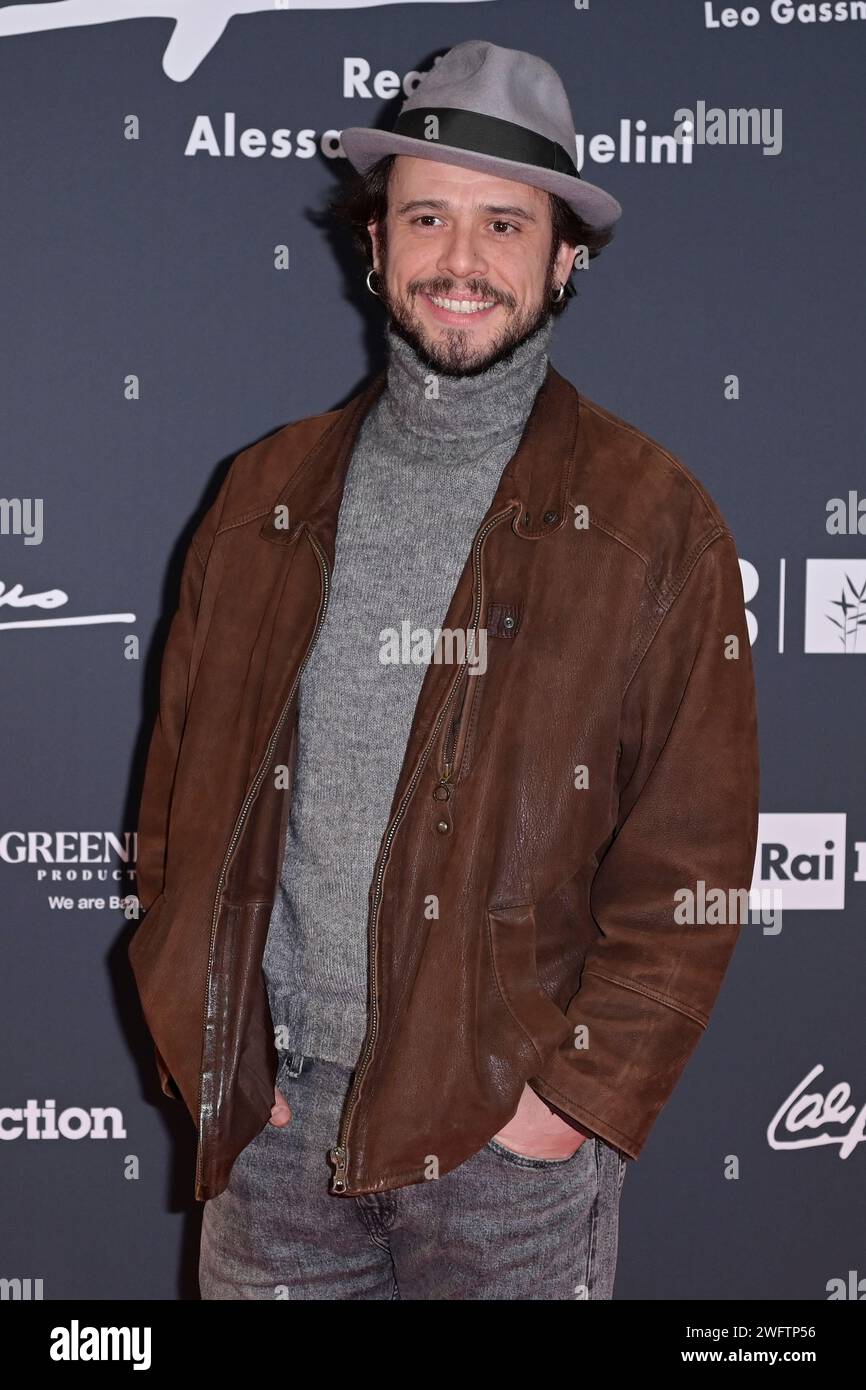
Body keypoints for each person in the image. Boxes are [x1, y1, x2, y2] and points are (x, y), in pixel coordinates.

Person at [128, 39, 760, 1301]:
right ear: (375, 244)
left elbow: (691, 859)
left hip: (504, 1156)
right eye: (426, 216)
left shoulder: (652, 519)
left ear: (563, 257)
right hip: (276, 1139)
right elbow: (176, 805)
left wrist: (563, 1105)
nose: (460, 261)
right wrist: (216, 1061)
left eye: (502, 225)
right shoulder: (260, 494)